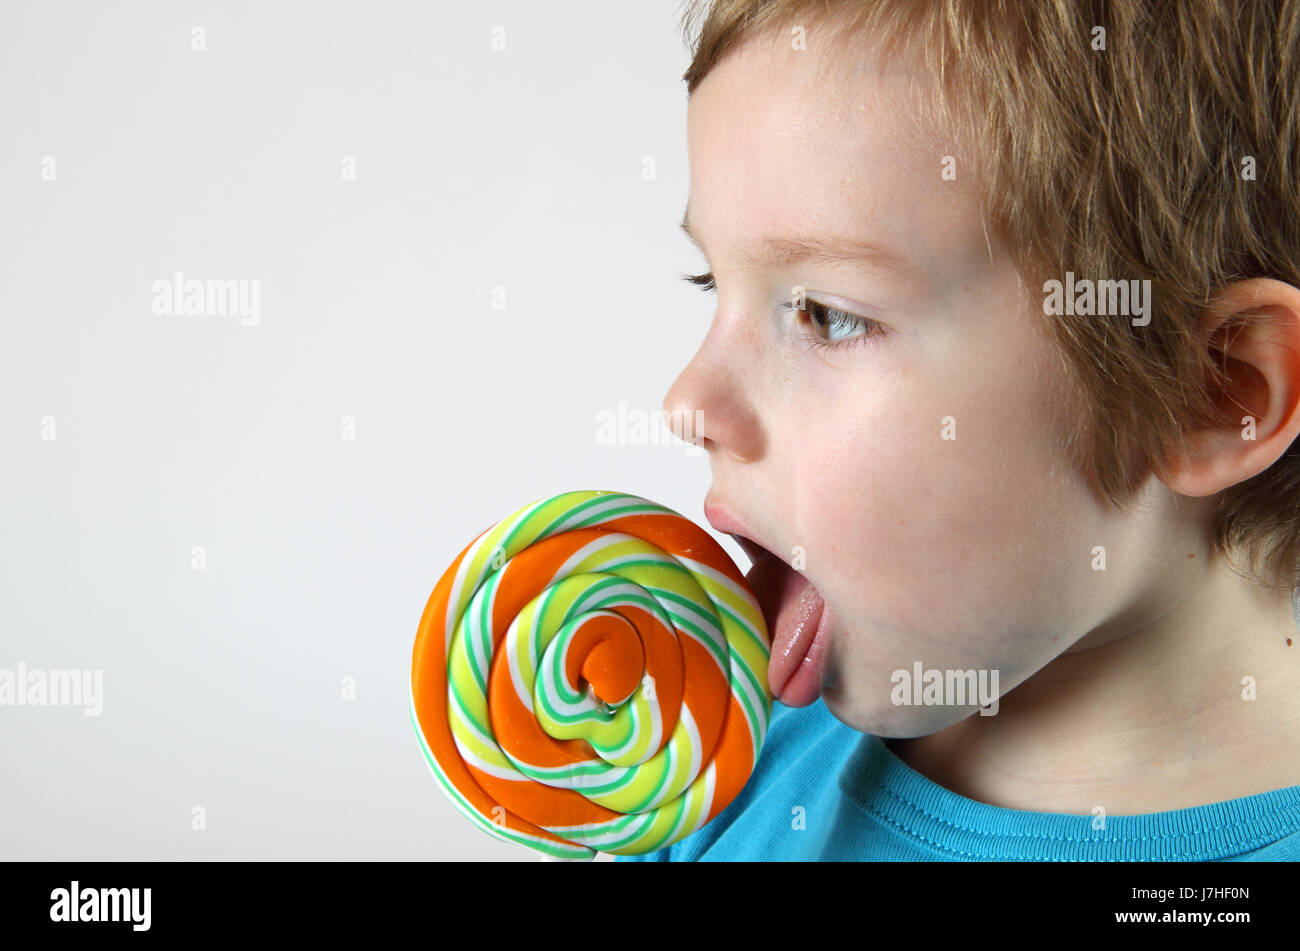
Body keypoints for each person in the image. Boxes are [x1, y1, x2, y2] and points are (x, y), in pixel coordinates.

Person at [619, 0, 1300, 861]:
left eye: (826, 315)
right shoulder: (707, 780)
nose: (688, 401)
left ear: (1212, 394)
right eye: (709, 281)